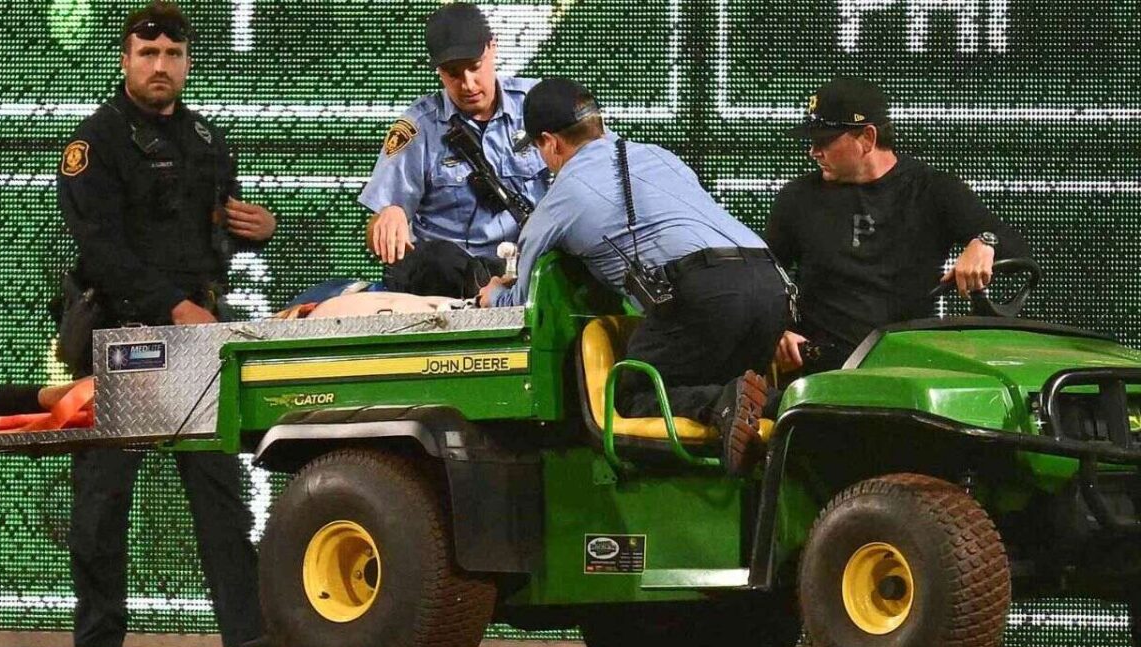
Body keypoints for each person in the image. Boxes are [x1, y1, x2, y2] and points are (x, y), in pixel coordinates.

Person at [53, 1, 278, 647]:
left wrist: (261, 231)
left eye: (173, 55)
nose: (160, 66)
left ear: (187, 63)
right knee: (101, 505)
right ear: (124, 59)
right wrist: (175, 304)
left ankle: (248, 636)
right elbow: (101, 252)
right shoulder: (94, 143)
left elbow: (217, 241)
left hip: (192, 344)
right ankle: (98, 646)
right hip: (121, 336)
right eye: (147, 54)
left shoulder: (207, 141)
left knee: (220, 499)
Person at [478, 78, 789, 473]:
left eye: (540, 150)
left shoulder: (559, 201)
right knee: (747, 395)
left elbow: (520, 304)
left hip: (706, 293)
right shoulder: (658, 156)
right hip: (772, 283)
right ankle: (808, 407)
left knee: (628, 397)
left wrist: (490, 296)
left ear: (551, 143)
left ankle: (721, 403)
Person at [767, 76, 1030, 375]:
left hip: (906, 371)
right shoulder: (797, 198)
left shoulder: (931, 189)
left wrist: (984, 242)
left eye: (824, 141)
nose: (813, 152)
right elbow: (765, 280)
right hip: (819, 372)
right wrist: (778, 333)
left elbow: (1015, 244)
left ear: (867, 138)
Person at [359, 2, 549, 297]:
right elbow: (376, 231)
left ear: (493, 47)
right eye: (452, 74)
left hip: (532, 266)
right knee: (433, 261)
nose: (468, 84)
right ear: (438, 71)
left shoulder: (539, 105)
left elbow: (594, 166)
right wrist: (389, 215)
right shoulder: (418, 126)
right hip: (452, 279)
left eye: (474, 67)